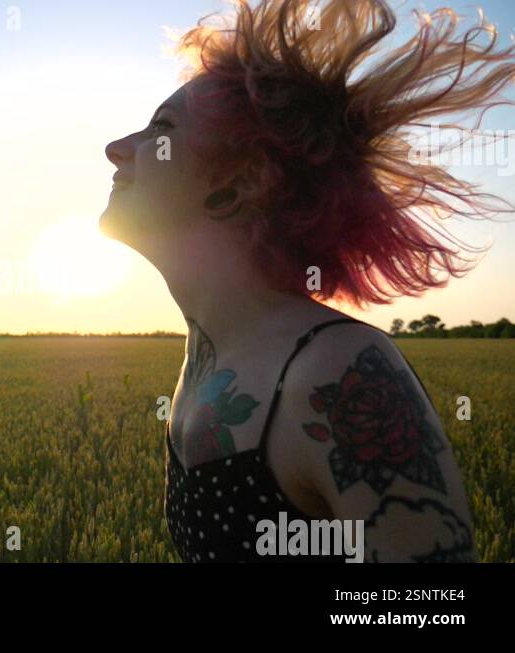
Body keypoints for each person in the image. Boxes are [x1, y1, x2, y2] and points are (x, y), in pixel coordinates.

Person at [99, 0, 515, 562]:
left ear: (238, 185)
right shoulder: (209, 357)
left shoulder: (336, 368)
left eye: (163, 129)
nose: (116, 148)